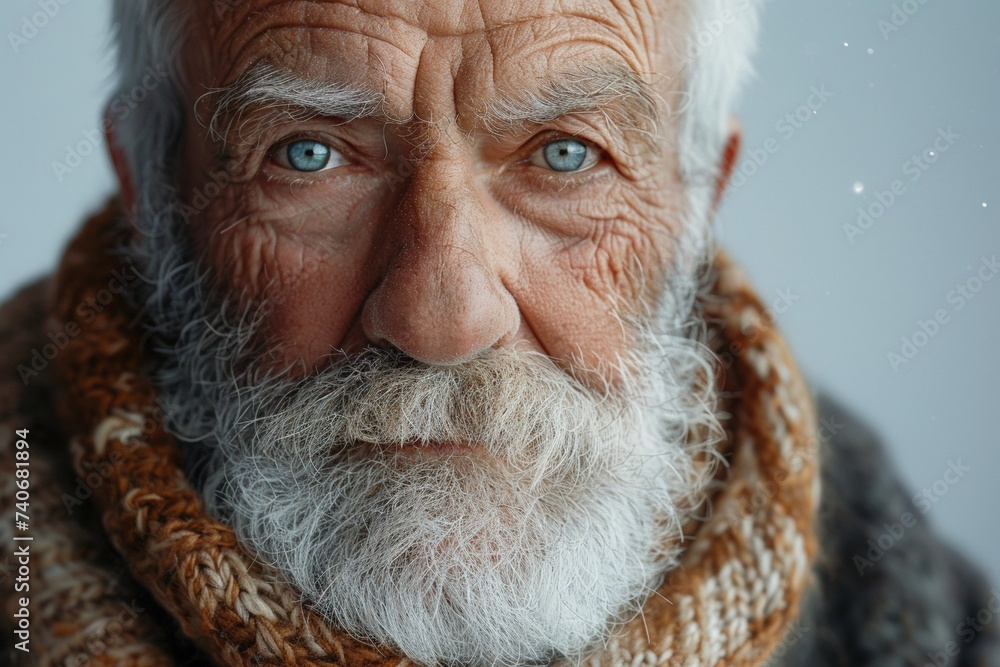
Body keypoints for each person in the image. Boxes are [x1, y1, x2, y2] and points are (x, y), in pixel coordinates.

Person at [0, 1, 996, 665]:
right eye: (308, 154)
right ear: (149, 190)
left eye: (566, 154)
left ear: (698, 204)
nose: (444, 320)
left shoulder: (914, 608)